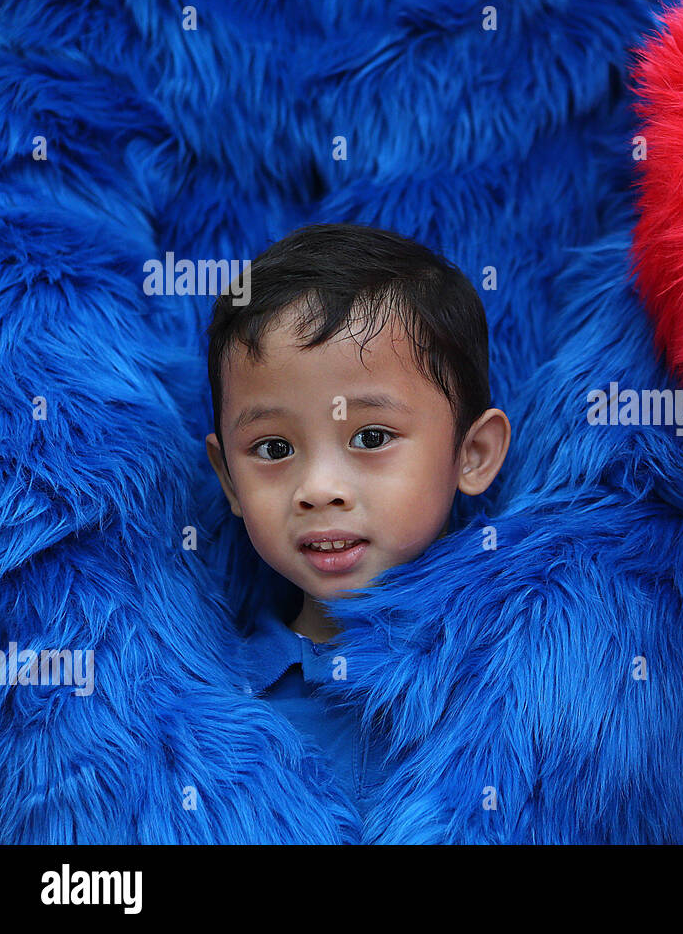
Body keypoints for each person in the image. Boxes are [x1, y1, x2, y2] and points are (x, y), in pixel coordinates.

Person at [203, 222, 511, 820]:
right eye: (272, 449)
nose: (319, 489)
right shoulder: (210, 703)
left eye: (371, 437)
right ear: (227, 478)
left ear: (471, 454)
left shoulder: (513, 669)